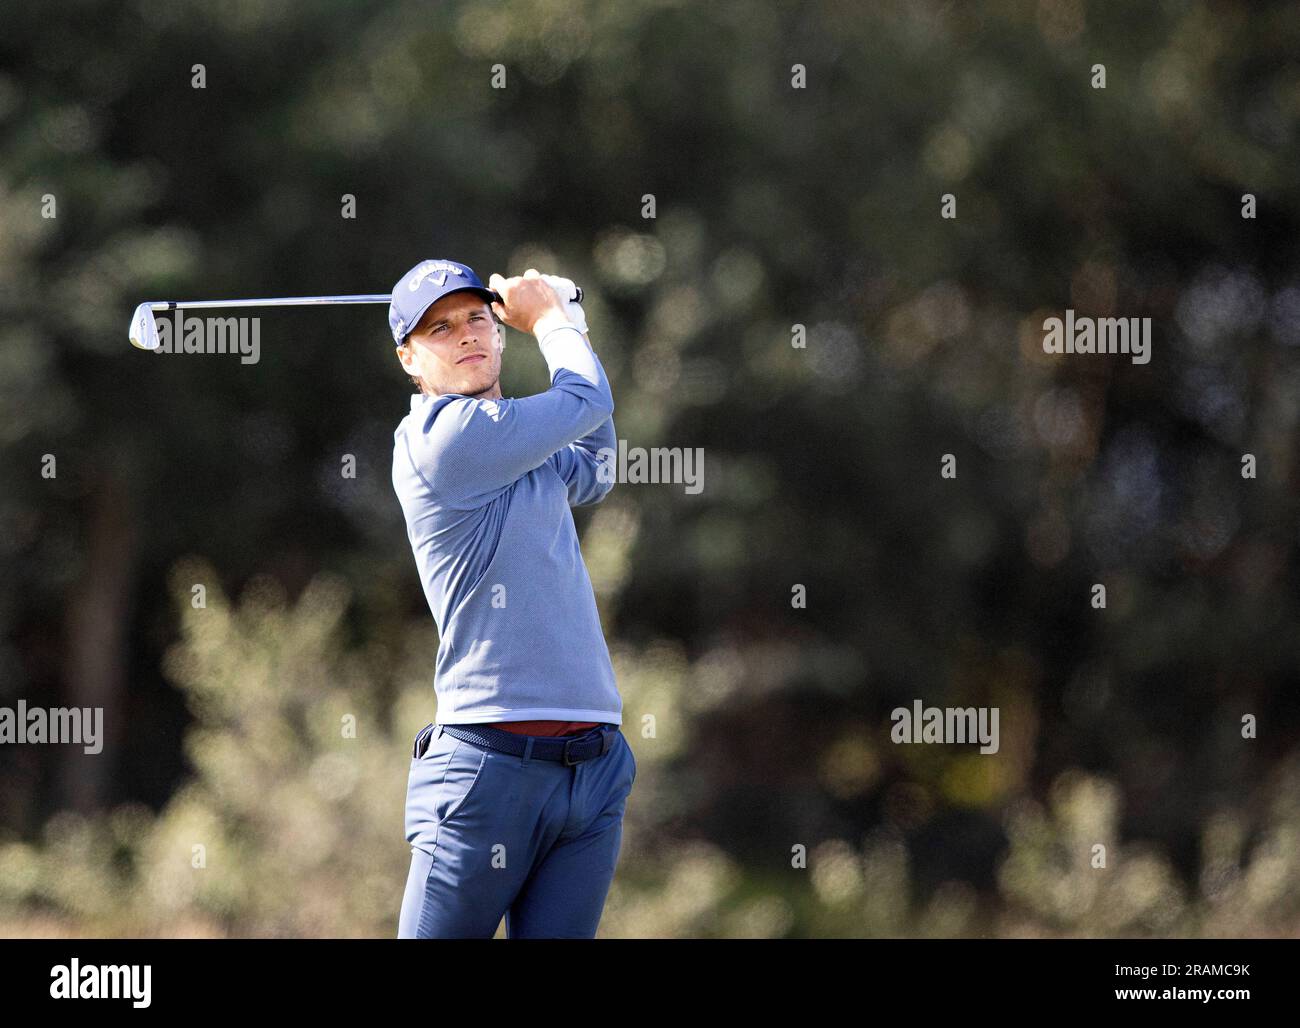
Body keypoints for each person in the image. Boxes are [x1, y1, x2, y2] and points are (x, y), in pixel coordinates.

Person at [388, 258, 635, 938]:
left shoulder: (519, 440)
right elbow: (587, 400)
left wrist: (569, 321)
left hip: (591, 767)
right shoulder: (442, 441)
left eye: (476, 318)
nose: (466, 335)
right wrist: (552, 317)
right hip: (488, 767)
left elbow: (598, 466)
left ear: (498, 334)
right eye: (439, 329)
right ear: (409, 358)